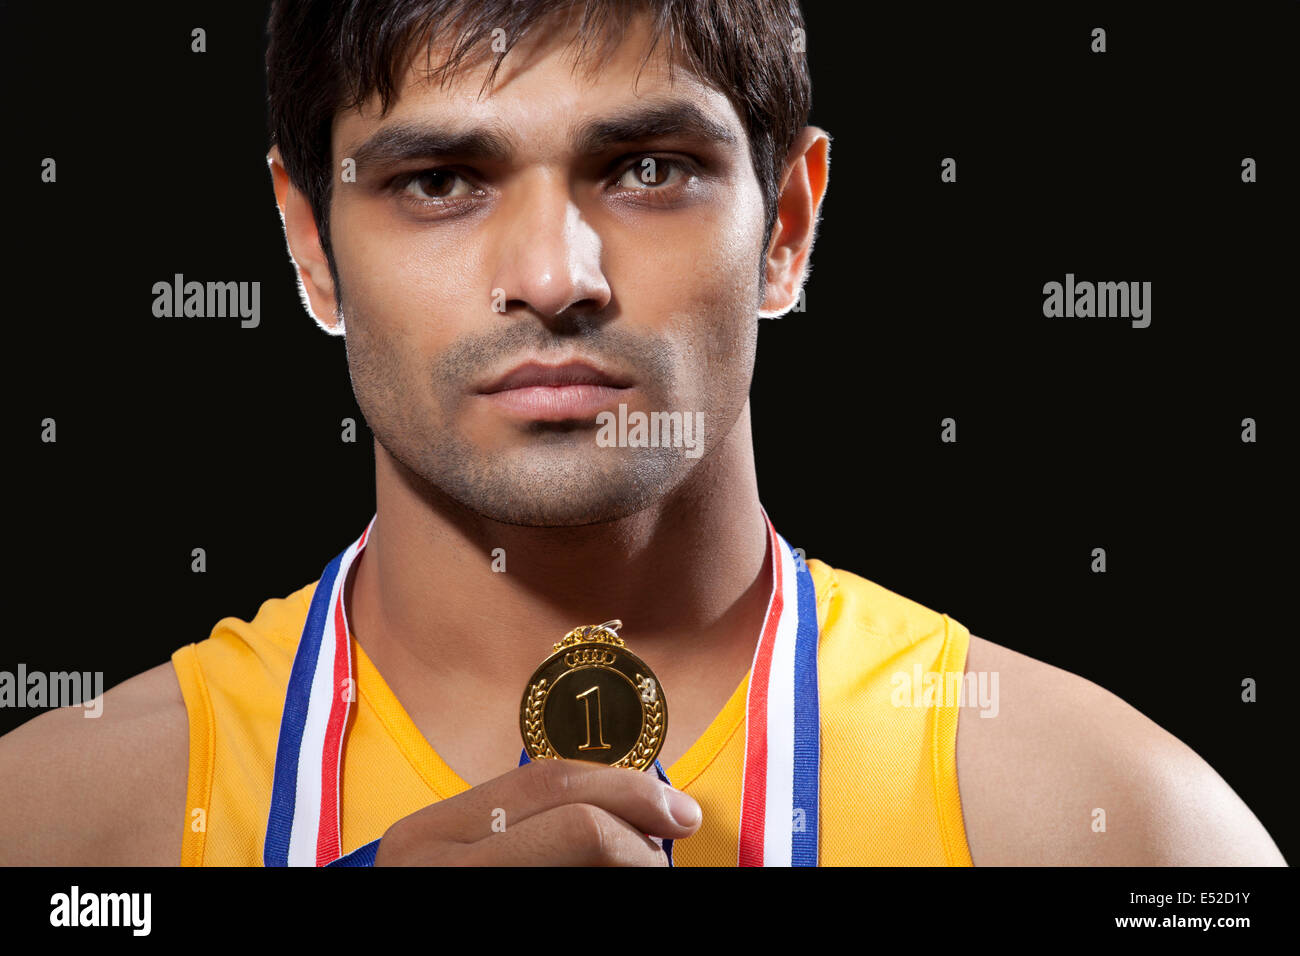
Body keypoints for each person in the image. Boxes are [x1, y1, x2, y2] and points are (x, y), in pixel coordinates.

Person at [0, 0, 1285, 867]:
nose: (556, 274)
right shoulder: (58, 831)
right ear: (309, 247)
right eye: (438, 181)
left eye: (645, 167)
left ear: (787, 223)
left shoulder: (1115, 830)